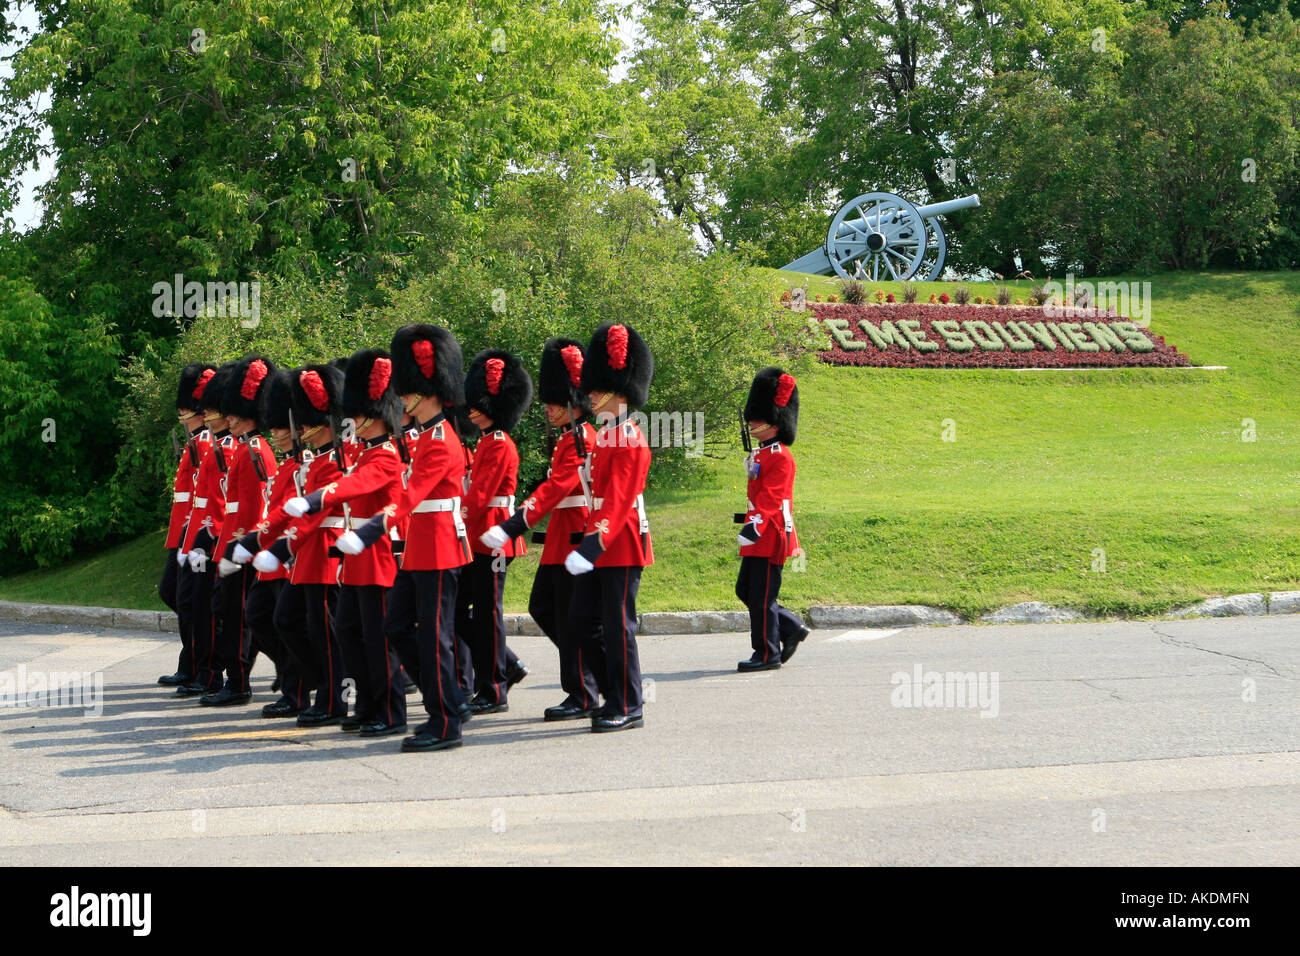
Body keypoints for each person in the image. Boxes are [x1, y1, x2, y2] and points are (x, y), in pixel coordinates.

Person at [339, 325, 471, 753]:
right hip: (420, 548)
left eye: (409, 390)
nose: (402, 397)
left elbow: (410, 496)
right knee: (396, 628)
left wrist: (372, 529)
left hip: (440, 549)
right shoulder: (420, 437)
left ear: (425, 391)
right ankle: (446, 701)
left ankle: (446, 721)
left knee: (435, 639)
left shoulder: (440, 439)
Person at [284, 349, 409, 737]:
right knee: (351, 634)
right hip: (356, 561)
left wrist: (318, 497)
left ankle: (389, 712)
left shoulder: (386, 455)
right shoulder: (363, 453)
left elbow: (357, 486)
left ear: (375, 417)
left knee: (377, 639)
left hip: (378, 557)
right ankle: (367, 704)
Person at [482, 338, 600, 720]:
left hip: (575, 538)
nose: (547, 409)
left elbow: (559, 487)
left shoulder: (581, 439)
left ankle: (583, 690)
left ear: (573, 401)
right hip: (561, 538)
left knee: (567, 615)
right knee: (547, 609)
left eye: (553, 402)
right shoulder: (570, 439)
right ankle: (587, 679)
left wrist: (516, 523)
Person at [564, 323, 654, 733]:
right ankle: (609, 691)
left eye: (598, 390)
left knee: (619, 628)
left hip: (618, 542)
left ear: (620, 393)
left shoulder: (630, 438)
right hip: (599, 538)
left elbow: (618, 501)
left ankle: (629, 703)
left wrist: (592, 544)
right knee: (582, 622)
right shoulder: (606, 436)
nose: (591, 396)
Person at [249, 365, 349, 726]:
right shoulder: (315, 461)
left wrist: (279, 548)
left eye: (307, 421)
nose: (301, 428)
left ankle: (333, 697)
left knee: (324, 632)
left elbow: (321, 513)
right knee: (288, 622)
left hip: (325, 553)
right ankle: (325, 686)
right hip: (305, 554)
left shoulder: (335, 459)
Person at [234, 368, 313, 718]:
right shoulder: (287, 466)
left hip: (290, 556)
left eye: (282, 427)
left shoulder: (305, 466)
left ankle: (298, 691)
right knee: (259, 617)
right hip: (273, 555)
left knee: (285, 621)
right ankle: (293, 675)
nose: (276, 433)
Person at [458, 349, 532, 714]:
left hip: (493, 535)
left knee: (487, 612)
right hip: (479, 535)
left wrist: (457, 528)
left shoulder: (500, 443)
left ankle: (494, 687)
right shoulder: (486, 441)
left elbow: (481, 497)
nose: (472, 409)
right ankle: (507, 665)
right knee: (462, 611)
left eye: (479, 403)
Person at [203, 355, 277, 706]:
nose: (227, 418)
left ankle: (239, 681)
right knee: (228, 612)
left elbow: (260, 503)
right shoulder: (244, 449)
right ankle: (238, 677)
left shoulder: (257, 450)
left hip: (243, 543)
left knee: (237, 616)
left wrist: (246, 543)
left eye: (232, 412)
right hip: (231, 541)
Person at [735, 368, 809, 670]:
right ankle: (791, 627)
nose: (751, 421)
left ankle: (767, 653)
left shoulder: (779, 455)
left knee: (762, 597)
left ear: (774, 421)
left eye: (757, 416)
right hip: (760, 532)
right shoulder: (764, 453)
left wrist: (754, 525)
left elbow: (772, 497)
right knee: (746, 591)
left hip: (770, 532)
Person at [174, 361, 238, 697]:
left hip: (212, 535)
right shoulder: (211, 444)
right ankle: (199, 668)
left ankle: (209, 672)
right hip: (198, 532)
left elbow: (223, 499)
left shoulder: (227, 448)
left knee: (205, 608)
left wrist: (211, 535)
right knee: (190, 603)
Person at [158, 362, 215, 687]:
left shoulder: (205, 442)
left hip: (196, 531)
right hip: (183, 529)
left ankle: (200, 663)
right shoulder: (196, 441)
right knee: (175, 594)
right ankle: (191, 661)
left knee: (191, 601)